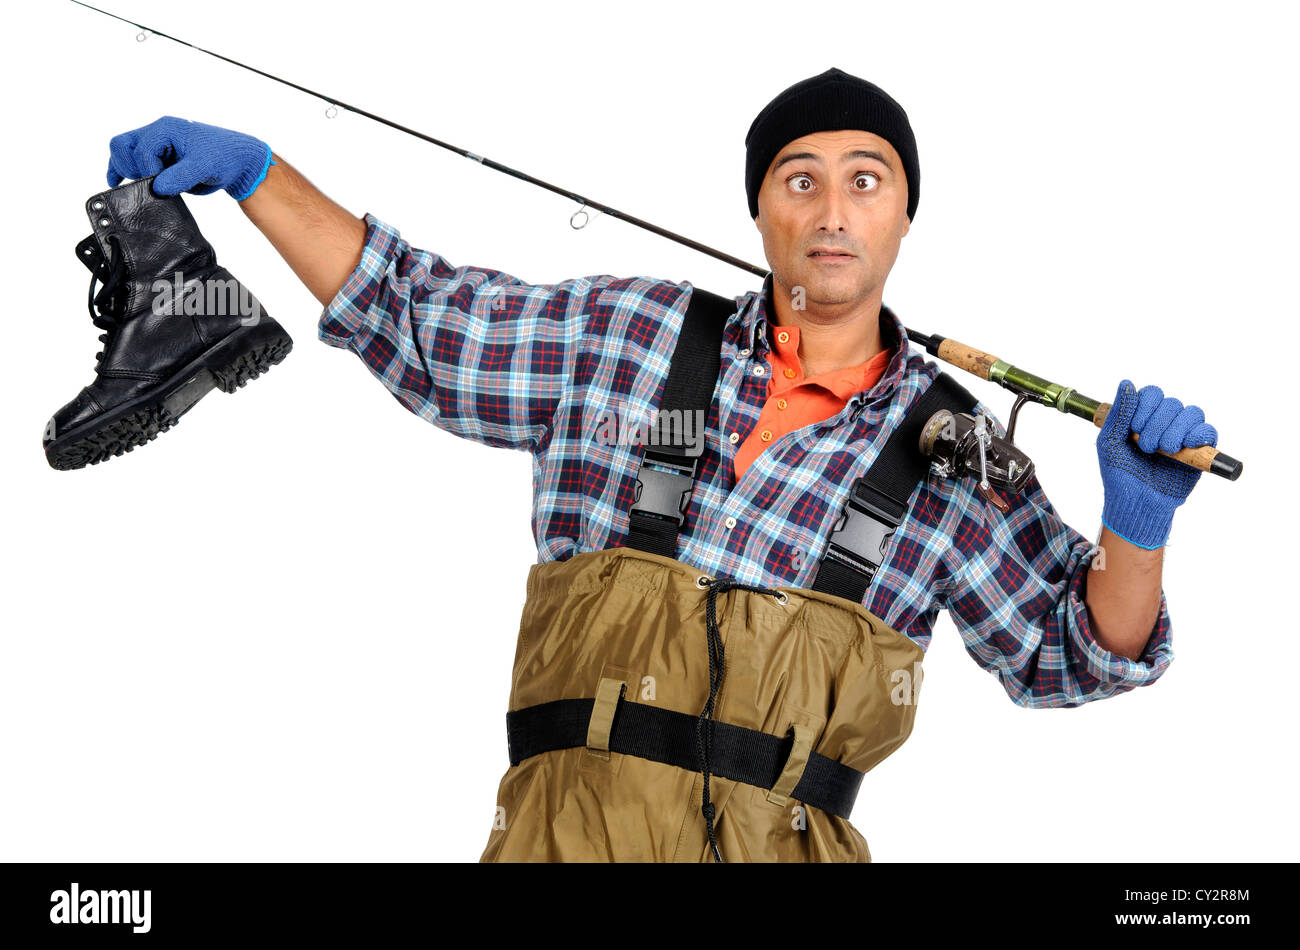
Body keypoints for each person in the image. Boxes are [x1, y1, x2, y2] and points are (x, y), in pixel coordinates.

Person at [104, 67, 1218, 862]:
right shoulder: (626, 337)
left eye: (866, 181)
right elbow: (421, 316)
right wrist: (257, 173)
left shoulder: (956, 450)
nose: (832, 212)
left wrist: (1140, 524)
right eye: (800, 179)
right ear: (758, 210)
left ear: (904, 215)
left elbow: (1068, 651)